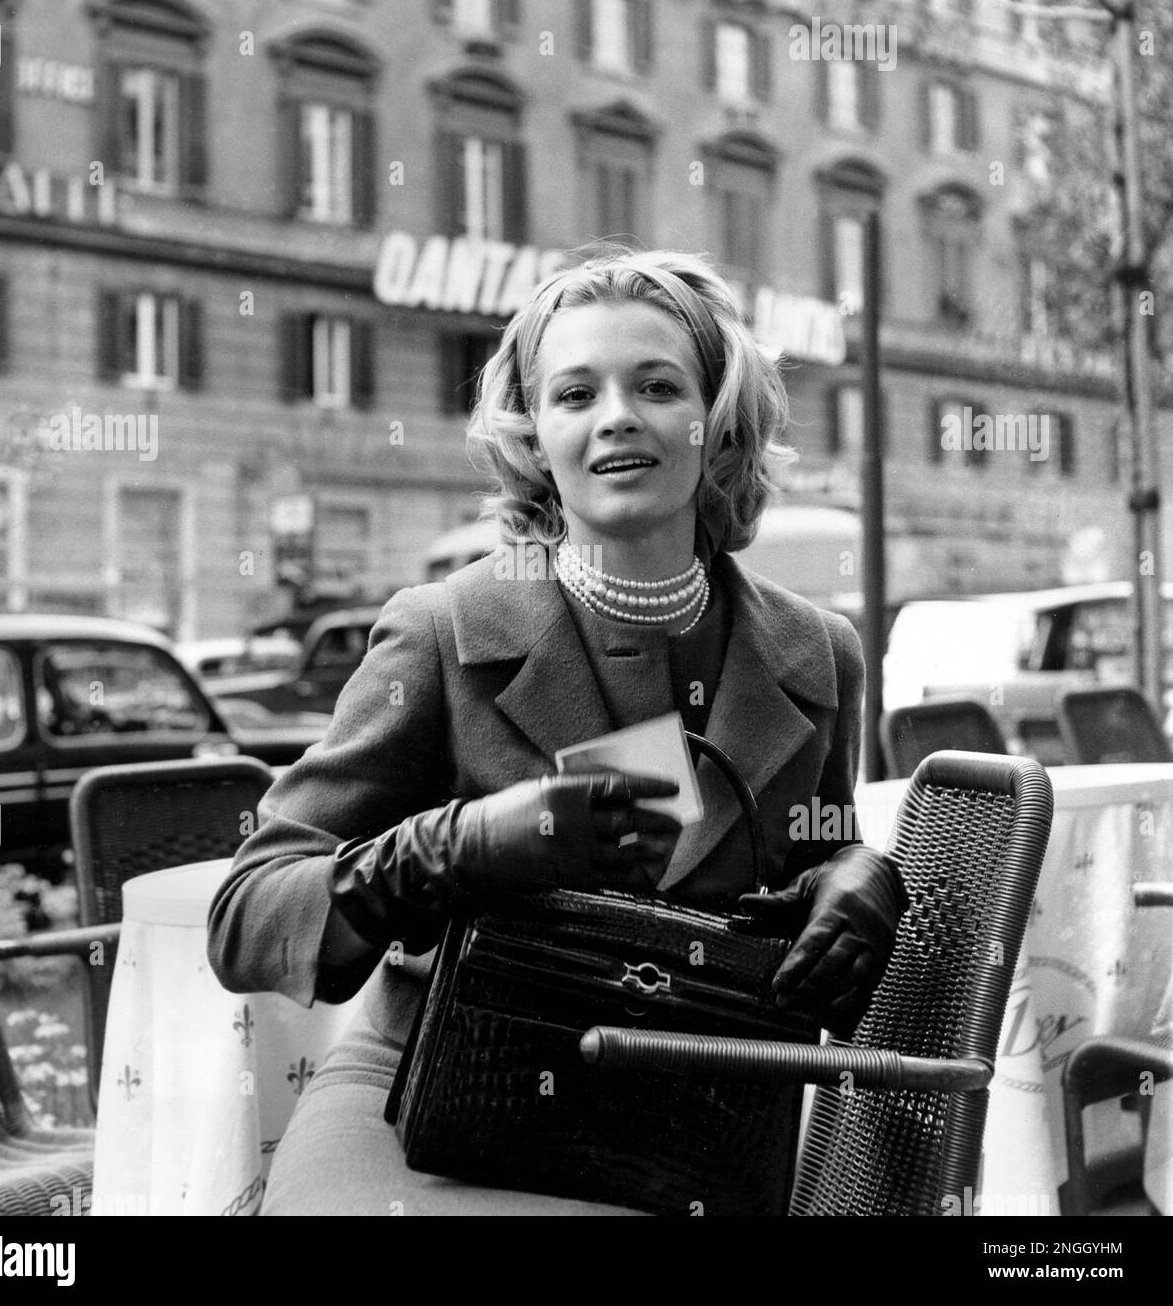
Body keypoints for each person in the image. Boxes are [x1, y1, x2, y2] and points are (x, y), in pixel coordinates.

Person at [207, 248, 908, 1215]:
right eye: (575, 394)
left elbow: (805, 875)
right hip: (429, 1110)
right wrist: (451, 848)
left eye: (657, 386)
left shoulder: (819, 653)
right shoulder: (441, 631)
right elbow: (247, 920)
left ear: (715, 421)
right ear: (534, 437)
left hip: (693, 1128)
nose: (616, 416)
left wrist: (855, 877)